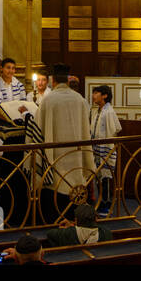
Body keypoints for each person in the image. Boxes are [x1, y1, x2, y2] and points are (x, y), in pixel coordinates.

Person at [37, 62, 94, 204]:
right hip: (75, 154)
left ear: (52, 80)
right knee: (74, 177)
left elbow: (38, 129)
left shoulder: (48, 100)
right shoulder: (79, 99)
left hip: (56, 155)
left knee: (57, 183)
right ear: (67, 80)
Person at [89, 83, 122, 214]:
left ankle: (106, 205)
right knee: (99, 178)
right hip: (97, 149)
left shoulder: (108, 112)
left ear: (105, 96)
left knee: (105, 178)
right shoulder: (97, 110)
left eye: (96, 93)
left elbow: (116, 128)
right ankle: (101, 203)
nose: (93, 96)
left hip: (105, 149)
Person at [44, 203, 110, 247]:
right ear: (96, 218)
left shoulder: (68, 233)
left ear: (76, 220)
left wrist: (71, 227)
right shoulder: (106, 233)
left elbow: (50, 234)